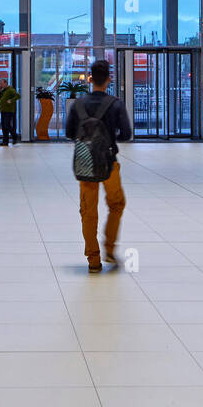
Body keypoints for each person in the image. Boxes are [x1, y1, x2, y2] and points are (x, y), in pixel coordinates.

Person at [65, 58, 132, 273]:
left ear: (91, 79)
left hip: (85, 163)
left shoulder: (78, 105)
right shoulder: (116, 104)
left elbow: (68, 133)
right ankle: (110, 249)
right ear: (109, 79)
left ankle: (93, 260)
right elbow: (126, 134)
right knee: (116, 204)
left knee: (88, 212)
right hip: (109, 163)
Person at [0, 79, 21, 146]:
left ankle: (15, 137)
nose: (0, 85)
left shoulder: (11, 90)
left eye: (1, 83)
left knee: (6, 124)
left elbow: (18, 96)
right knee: (4, 127)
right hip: (3, 110)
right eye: (0, 84)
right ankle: (5, 142)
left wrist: (11, 100)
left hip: (9, 110)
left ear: (5, 83)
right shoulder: (3, 90)